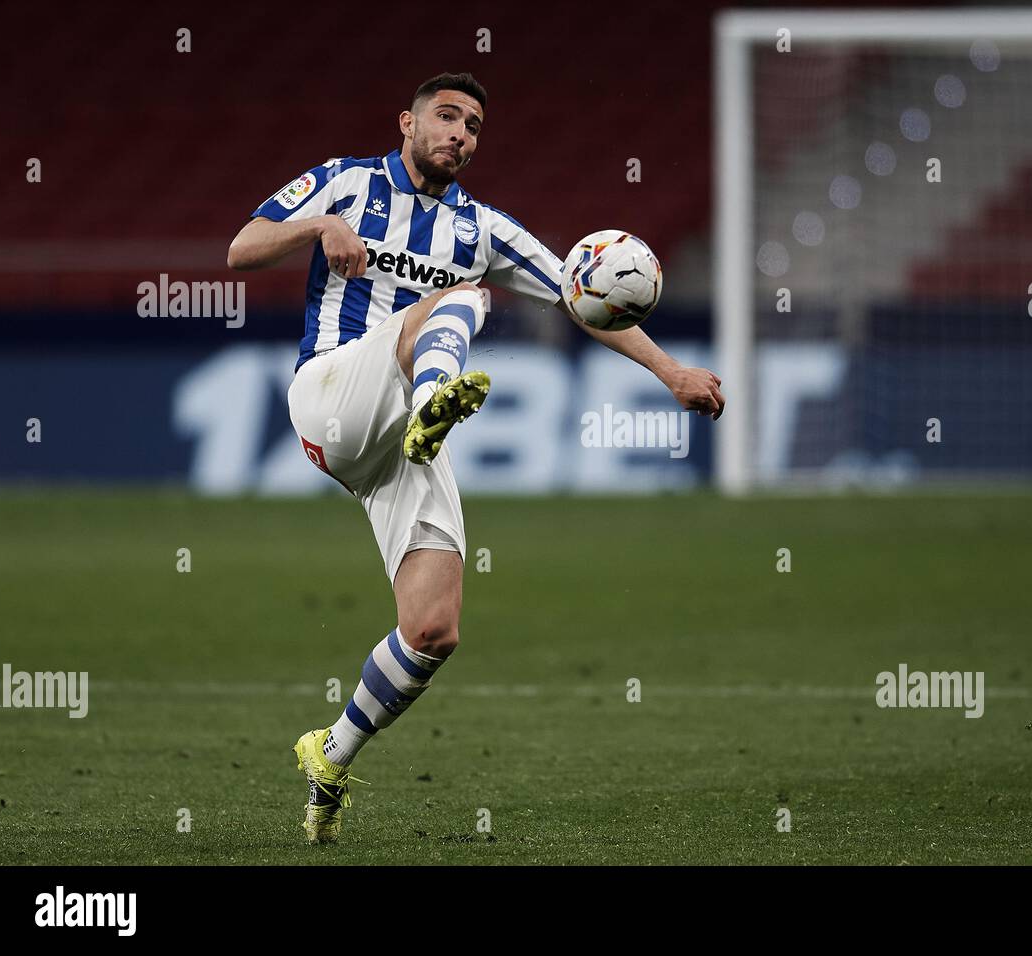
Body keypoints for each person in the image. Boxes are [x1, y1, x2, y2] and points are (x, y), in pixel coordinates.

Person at [227, 72, 725, 842]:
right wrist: (318, 226)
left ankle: (330, 755)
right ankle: (435, 401)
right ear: (407, 121)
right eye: (447, 116)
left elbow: (577, 290)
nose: (459, 133)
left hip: (392, 443)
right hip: (331, 392)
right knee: (468, 300)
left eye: (474, 127)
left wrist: (673, 372)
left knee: (433, 629)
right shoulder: (345, 183)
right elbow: (241, 248)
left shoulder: (480, 228)